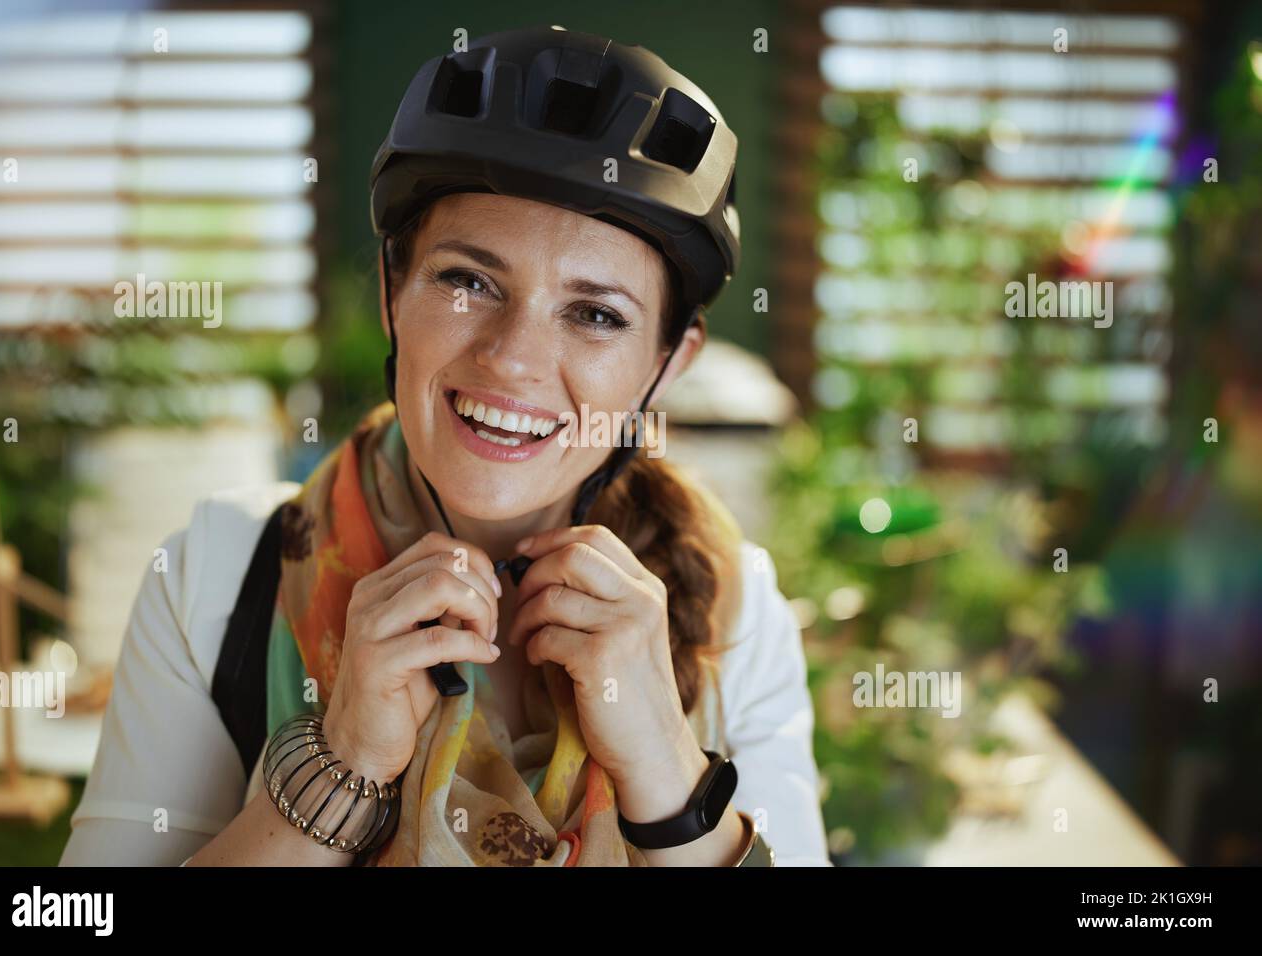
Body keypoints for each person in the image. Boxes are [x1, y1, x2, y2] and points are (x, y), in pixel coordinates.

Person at [60, 25, 829, 867]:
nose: (511, 360)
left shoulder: (737, 609)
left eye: (597, 314)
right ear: (394, 291)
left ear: (666, 365)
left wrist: (668, 770)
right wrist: (342, 761)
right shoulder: (217, 575)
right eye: (468, 280)